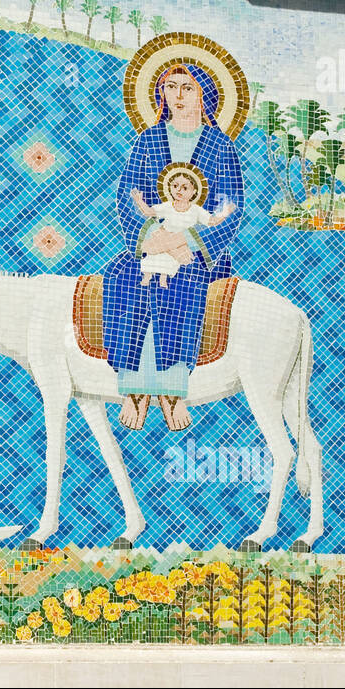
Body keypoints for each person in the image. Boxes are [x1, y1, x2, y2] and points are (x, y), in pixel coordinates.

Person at [103, 63, 243, 433]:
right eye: (171, 88)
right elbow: (129, 196)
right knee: (121, 276)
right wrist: (150, 237)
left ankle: (172, 388)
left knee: (184, 286)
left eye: (188, 88)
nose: (178, 97)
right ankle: (134, 387)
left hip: (197, 250)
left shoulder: (220, 146)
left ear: (204, 95)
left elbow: (230, 206)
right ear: (160, 94)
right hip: (151, 244)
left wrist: (190, 242)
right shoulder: (148, 141)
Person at [132, 169, 236, 288]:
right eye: (175, 186)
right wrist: (139, 201)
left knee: (170, 257)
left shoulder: (196, 210)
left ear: (194, 192)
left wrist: (224, 214)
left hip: (180, 241)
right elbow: (149, 212)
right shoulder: (167, 206)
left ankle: (163, 278)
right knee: (153, 253)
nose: (179, 190)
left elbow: (211, 221)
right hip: (163, 236)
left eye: (185, 188)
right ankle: (147, 276)